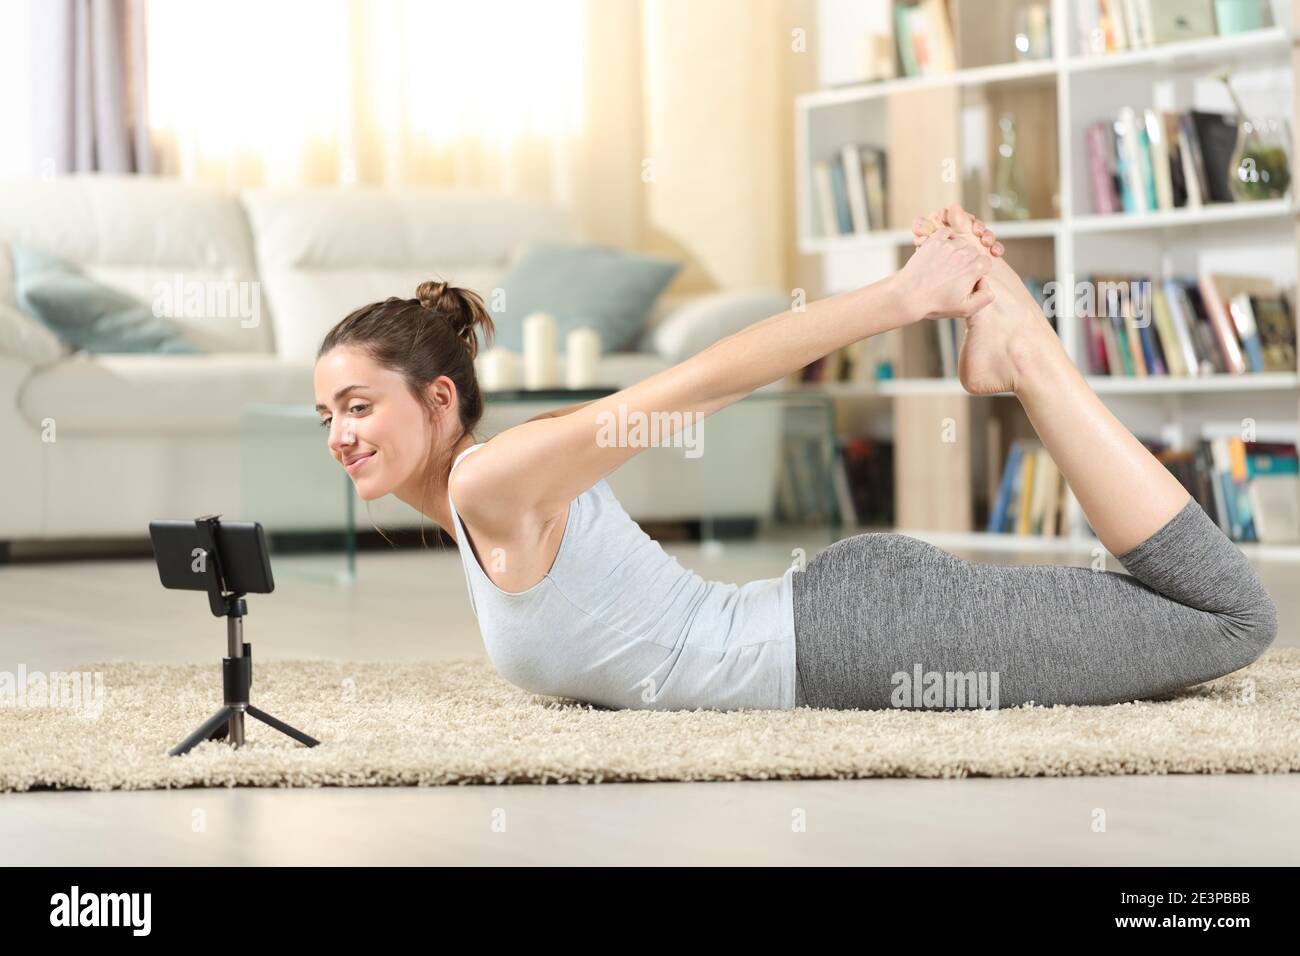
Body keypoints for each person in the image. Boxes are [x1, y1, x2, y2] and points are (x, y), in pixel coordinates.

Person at [313, 204, 1277, 711]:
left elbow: (695, 387)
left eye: (358, 406)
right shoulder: (483, 494)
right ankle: (1011, 343)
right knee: (1200, 618)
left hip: (868, 641)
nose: (340, 434)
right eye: (326, 416)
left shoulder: (487, 481)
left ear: (439, 400)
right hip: (845, 631)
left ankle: (1022, 343)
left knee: (1231, 618)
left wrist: (901, 298)